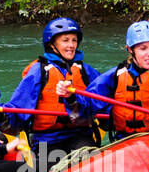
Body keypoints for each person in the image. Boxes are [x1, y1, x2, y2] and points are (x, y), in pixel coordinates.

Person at [8, 17, 100, 159]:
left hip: (80, 134)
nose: (71, 45)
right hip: (47, 139)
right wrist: (0, 117)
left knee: (89, 159)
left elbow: (106, 97)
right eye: (65, 40)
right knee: (50, 168)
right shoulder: (39, 71)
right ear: (52, 44)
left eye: (74, 40)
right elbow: (18, 107)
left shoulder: (85, 71)